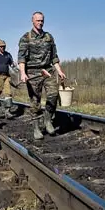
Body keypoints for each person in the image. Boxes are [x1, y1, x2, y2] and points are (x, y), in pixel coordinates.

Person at [18, 12, 66, 140]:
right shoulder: (25, 38)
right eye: (38, 20)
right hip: (32, 73)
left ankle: (48, 119)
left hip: (47, 70)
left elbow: (54, 57)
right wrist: (22, 73)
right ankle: (36, 128)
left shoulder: (49, 37)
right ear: (32, 21)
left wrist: (59, 71)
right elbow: (21, 58)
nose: (40, 23)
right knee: (35, 102)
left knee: (53, 94)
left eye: (42, 21)